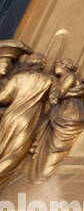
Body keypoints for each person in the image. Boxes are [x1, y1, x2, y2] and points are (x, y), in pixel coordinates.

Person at [0, 54, 54, 185]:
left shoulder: (17, 78)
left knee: (2, 147)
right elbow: (49, 104)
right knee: (15, 153)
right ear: (42, 65)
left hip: (10, 116)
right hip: (28, 119)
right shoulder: (47, 80)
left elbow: (3, 98)